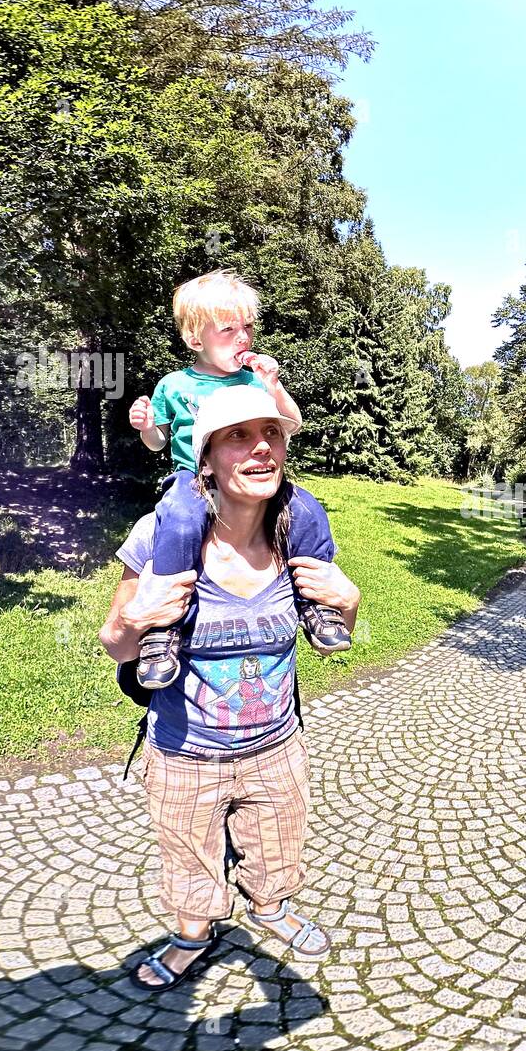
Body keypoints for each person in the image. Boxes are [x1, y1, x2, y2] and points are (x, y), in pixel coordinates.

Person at [101, 386, 360, 991]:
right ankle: (192, 936)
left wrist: (348, 604)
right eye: (237, 436)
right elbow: (116, 646)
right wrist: (136, 620)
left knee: (275, 850)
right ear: (208, 456)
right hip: (185, 752)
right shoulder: (159, 535)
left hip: (277, 746)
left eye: (270, 434)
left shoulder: (297, 534)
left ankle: (270, 910)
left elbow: (335, 633)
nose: (259, 448)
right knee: (190, 862)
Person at [128, 271, 351, 689]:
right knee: (178, 517)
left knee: (307, 508)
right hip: (193, 479)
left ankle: (316, 604)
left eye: (247, 326)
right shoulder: (174, 385)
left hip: (252, 480)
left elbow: (293, 425)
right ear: (196, 340)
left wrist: (273, 385)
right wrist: (144, 426)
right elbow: (158, 442)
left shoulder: (253, 380)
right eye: (228, 329)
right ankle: (163, 629)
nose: (243, 337)